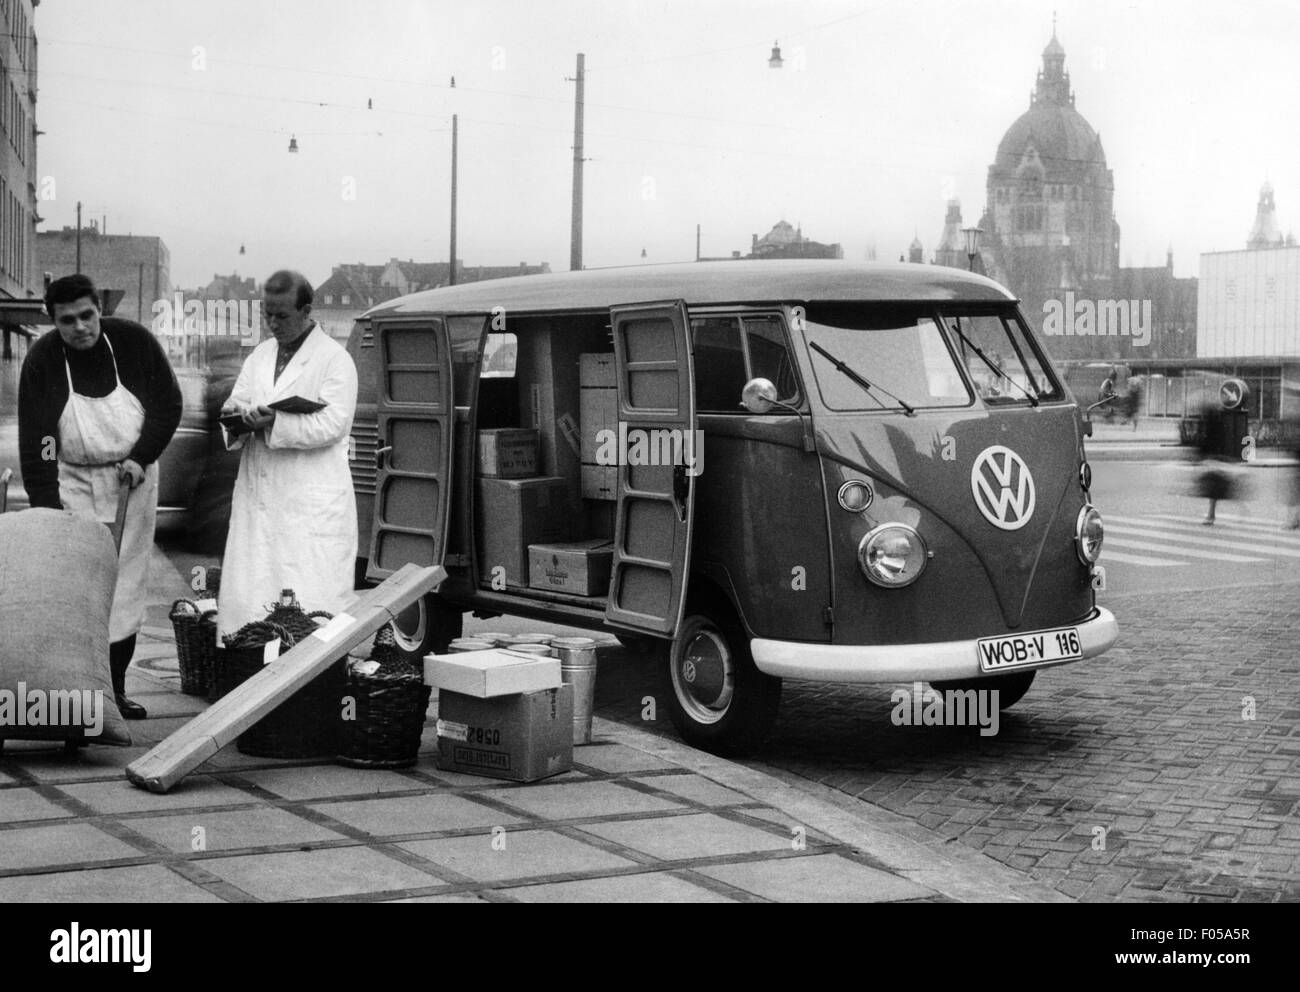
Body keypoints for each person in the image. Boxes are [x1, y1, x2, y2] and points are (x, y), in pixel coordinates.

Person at [18, 274, 183, 719]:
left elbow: (168, 405)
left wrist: (142, 456)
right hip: (72, 481)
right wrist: (50, 511)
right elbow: (39, 442)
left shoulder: (133, 344)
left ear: (99, 310)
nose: (81, 328)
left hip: (132, 477)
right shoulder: (43, 360)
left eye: (88, 315)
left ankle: (116, 691)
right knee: (75, 592)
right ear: (53, 321)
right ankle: (75, 695)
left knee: (125, 588)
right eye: (67, 320)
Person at [217, 270, 358, 637]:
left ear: (307, 309)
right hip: (260, 490)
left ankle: (309, 679)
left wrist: (274, 422)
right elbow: (236, 401)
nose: (273, 323)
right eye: (267, 314)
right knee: (253, 589)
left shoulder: (334, 360)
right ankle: (249, 664)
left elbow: (334, 424)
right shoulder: (260, 356)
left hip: (308, 499)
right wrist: (238, 417)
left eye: (282, 315)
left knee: (309, 595)